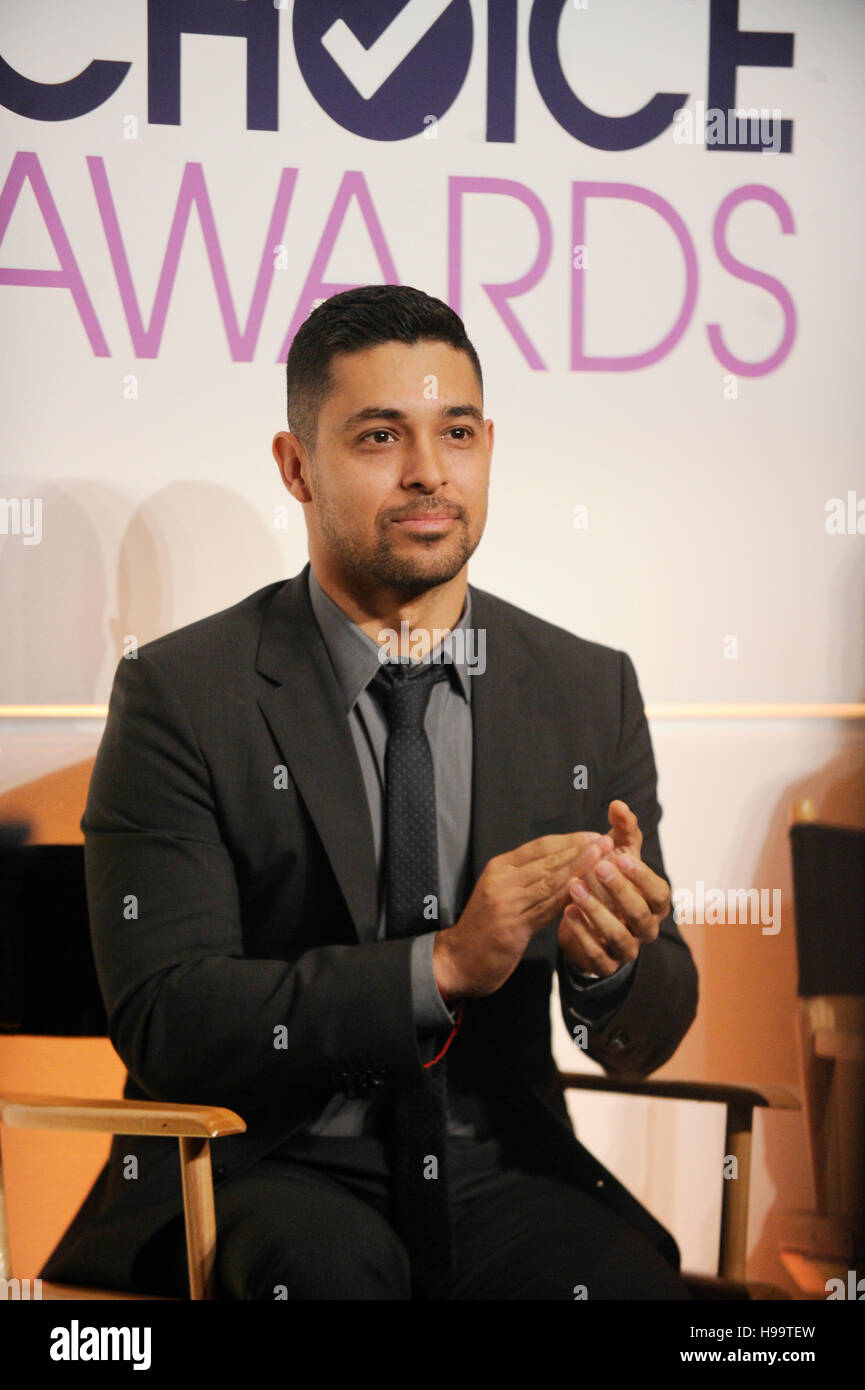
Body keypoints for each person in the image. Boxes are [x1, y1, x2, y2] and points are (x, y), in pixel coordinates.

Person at [42, 285, 698, 1300]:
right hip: (262, 1161)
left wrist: (609, 965)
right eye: (381, 436)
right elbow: (168, 1016)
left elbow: (646, 1031)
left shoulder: (583, 685)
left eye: (458, 432)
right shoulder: (183, 692)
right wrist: (437, 967)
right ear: (296, 466)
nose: (429, 472)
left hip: (505, 1165)